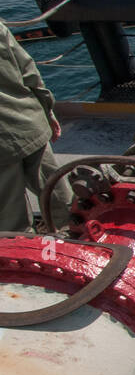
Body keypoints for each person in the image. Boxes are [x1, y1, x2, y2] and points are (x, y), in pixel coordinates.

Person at [0, 20, 74, 233]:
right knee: (60, 200)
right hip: (28, 122)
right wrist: (47, 110)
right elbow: (29, 72)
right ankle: (74, 239)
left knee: (12, 221)